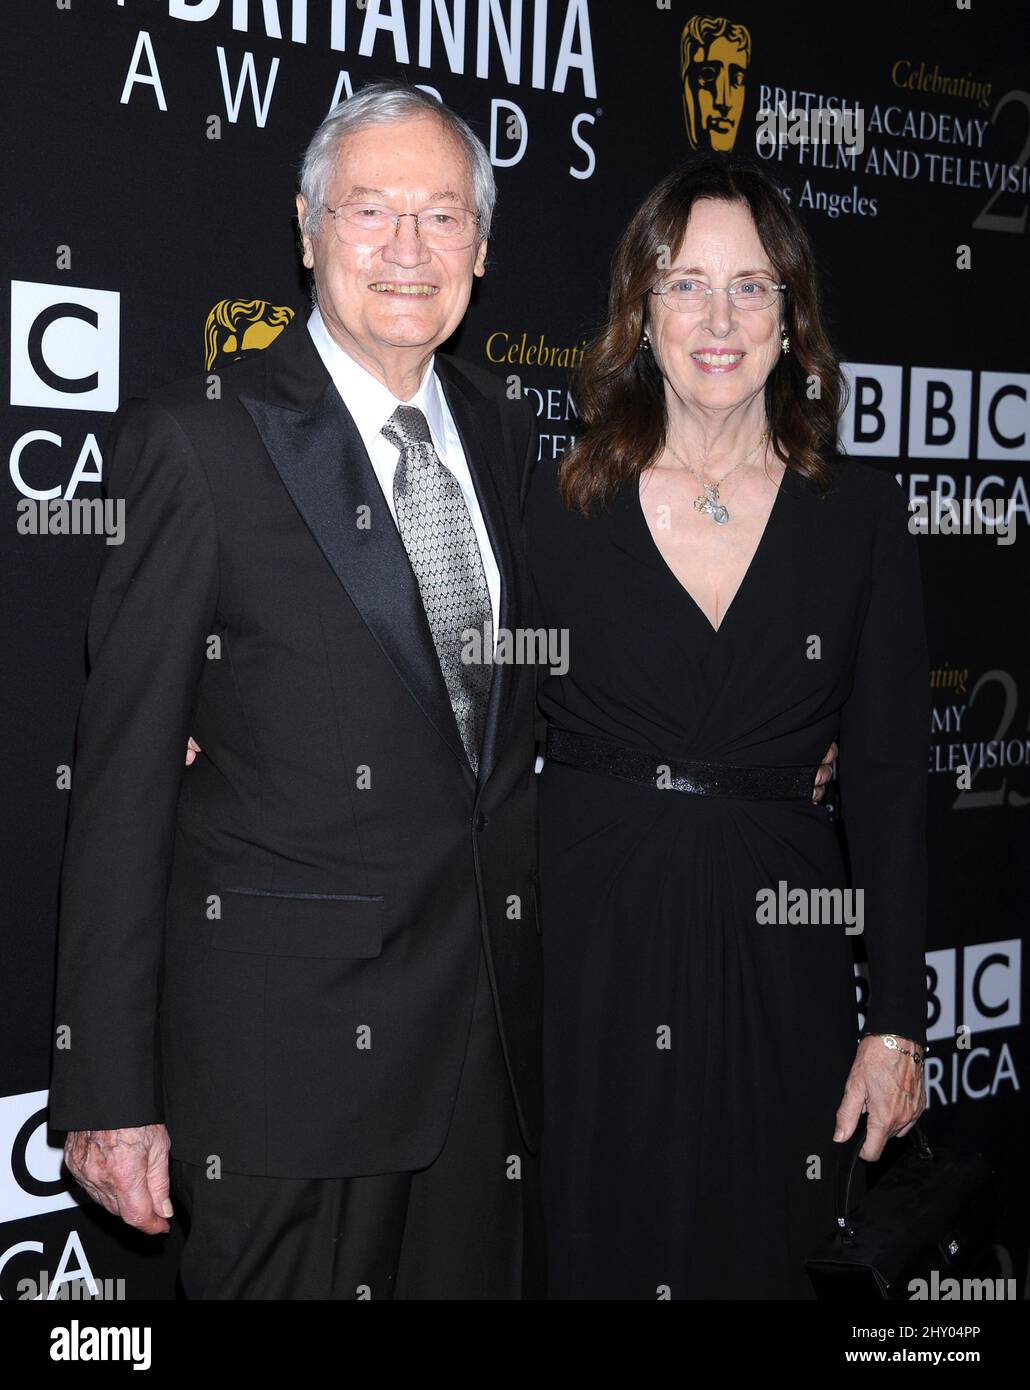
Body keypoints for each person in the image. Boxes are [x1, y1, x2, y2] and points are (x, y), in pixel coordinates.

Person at [49, 81, 546, 1300]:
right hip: (284, 1083)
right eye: (370, 211)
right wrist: (108, 1089)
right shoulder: (200, 442)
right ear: (309, 231)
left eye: (442, 216)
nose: (408, 247)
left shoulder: (503, 431)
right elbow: (121, 790)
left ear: (481, 249)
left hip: (485, 1067)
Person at [524, 156, 929, 1299]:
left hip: (781, 956)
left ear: (790, 317)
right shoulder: (555, 503)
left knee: (766, 1248)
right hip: (592, 952)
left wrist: (896, 1023)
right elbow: (464, 701)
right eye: (686, 284)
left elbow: (889, 779)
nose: (717, 320)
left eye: (750, 287)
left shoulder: (857, 516)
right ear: (641, 310)